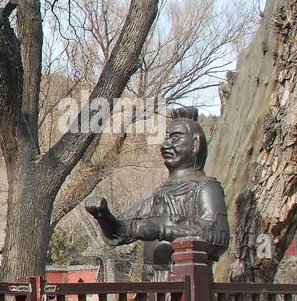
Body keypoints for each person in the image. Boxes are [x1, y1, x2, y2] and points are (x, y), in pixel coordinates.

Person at [85, 107, 229, 268]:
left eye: (175, 138)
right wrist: (104, 216)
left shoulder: (206, 188)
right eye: (165, 138)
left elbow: (215, 236)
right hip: (155, 283)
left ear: (196, 144)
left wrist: (161, 230)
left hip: (188, 279)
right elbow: (123, 231)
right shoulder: (160, 195)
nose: (165, 145)